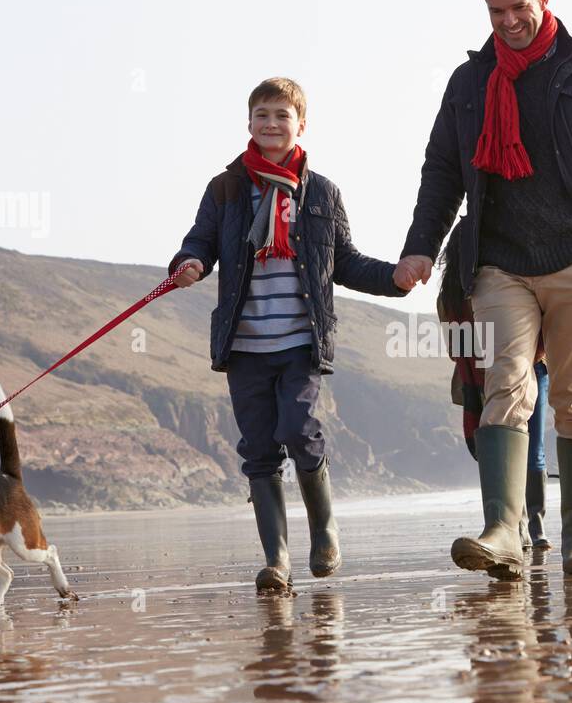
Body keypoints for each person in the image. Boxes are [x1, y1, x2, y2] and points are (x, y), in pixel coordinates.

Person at [393, 0, 572, 580]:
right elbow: (442, 172)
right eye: (496, 10)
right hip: (499, 263)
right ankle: (504, 532)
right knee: (504, 386)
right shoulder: (469, 84)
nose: (508, 20)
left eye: (518, 6)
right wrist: (420, 246)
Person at [170, 77, 406, 593]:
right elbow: (201, 241)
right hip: (244, 344)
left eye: (282, 115)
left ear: (302, 124)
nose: (271, 124)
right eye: (261, 115)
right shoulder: (226, 188)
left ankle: (324, 530)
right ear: (249, 123)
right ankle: (276, 561)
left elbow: (344, 262)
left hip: (301, 340)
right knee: (258, 449)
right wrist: (188, 262)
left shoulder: (321, 191)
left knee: (299, 429)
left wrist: (394, 278)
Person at [436, 233, 552, 550]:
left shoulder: (456, 294)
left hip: (512, 371)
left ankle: (527, 525)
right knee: (526, 446)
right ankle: (520, 525)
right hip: (497, 373)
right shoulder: (455, 295)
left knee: (518, 446)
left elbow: (456, 348)